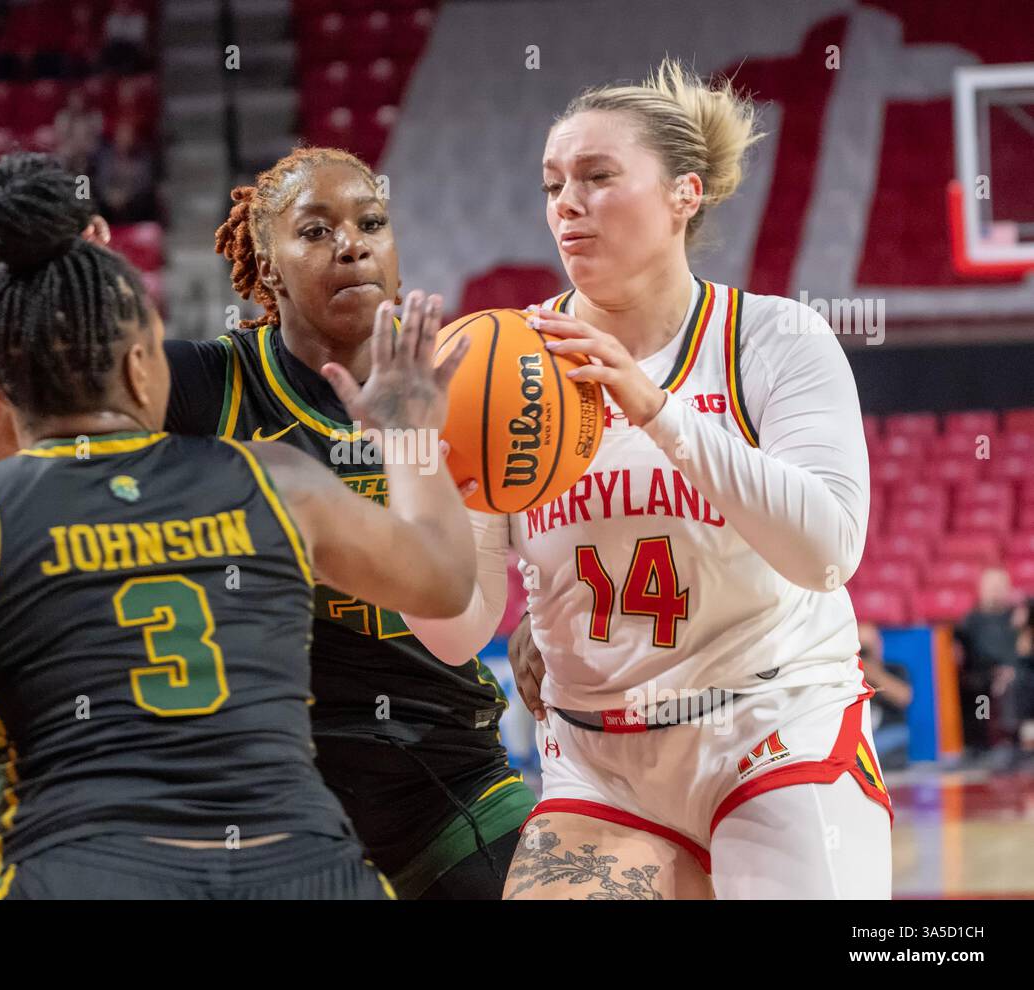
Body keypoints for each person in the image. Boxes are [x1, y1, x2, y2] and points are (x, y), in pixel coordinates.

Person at [0, 151, 477, 900]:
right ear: (143, 367)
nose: (351, 246)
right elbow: (447, 578)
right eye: (317, 230)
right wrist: (413, 439)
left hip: (87, 869)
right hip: (305, 859)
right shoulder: (271, 470)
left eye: (371, 222)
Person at [409, 59, 891, 900]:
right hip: (601, 764)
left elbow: (827, 553)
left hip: (774, 726)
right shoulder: (499, 361)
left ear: (683, 194)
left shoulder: (771, 338)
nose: (567, 202)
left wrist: (657, 410)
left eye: (598, 176)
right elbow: (457, 634)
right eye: (553, 183)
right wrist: (407, 452)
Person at [954, 567, 1022, 762]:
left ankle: (1011, 743)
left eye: (1001, 586)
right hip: (982, 678)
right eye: (992, 586)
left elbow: (1021, 650)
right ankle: (980, 745)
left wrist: (1009, 669)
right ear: (981, 589)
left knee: (1015, 684)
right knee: (980, 697)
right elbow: (968, 653)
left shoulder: (1017, 618)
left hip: (1015, 674)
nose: (996, 591)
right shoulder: (970, 621)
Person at [857, 622, 913, 771]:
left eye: (867, 649)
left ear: (878, 645)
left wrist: (876, 676)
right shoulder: (850, 674)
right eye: (861, 650)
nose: (864, 655)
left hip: (888, 732)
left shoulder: (894, 669)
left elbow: (904, 697)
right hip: (860, 735)